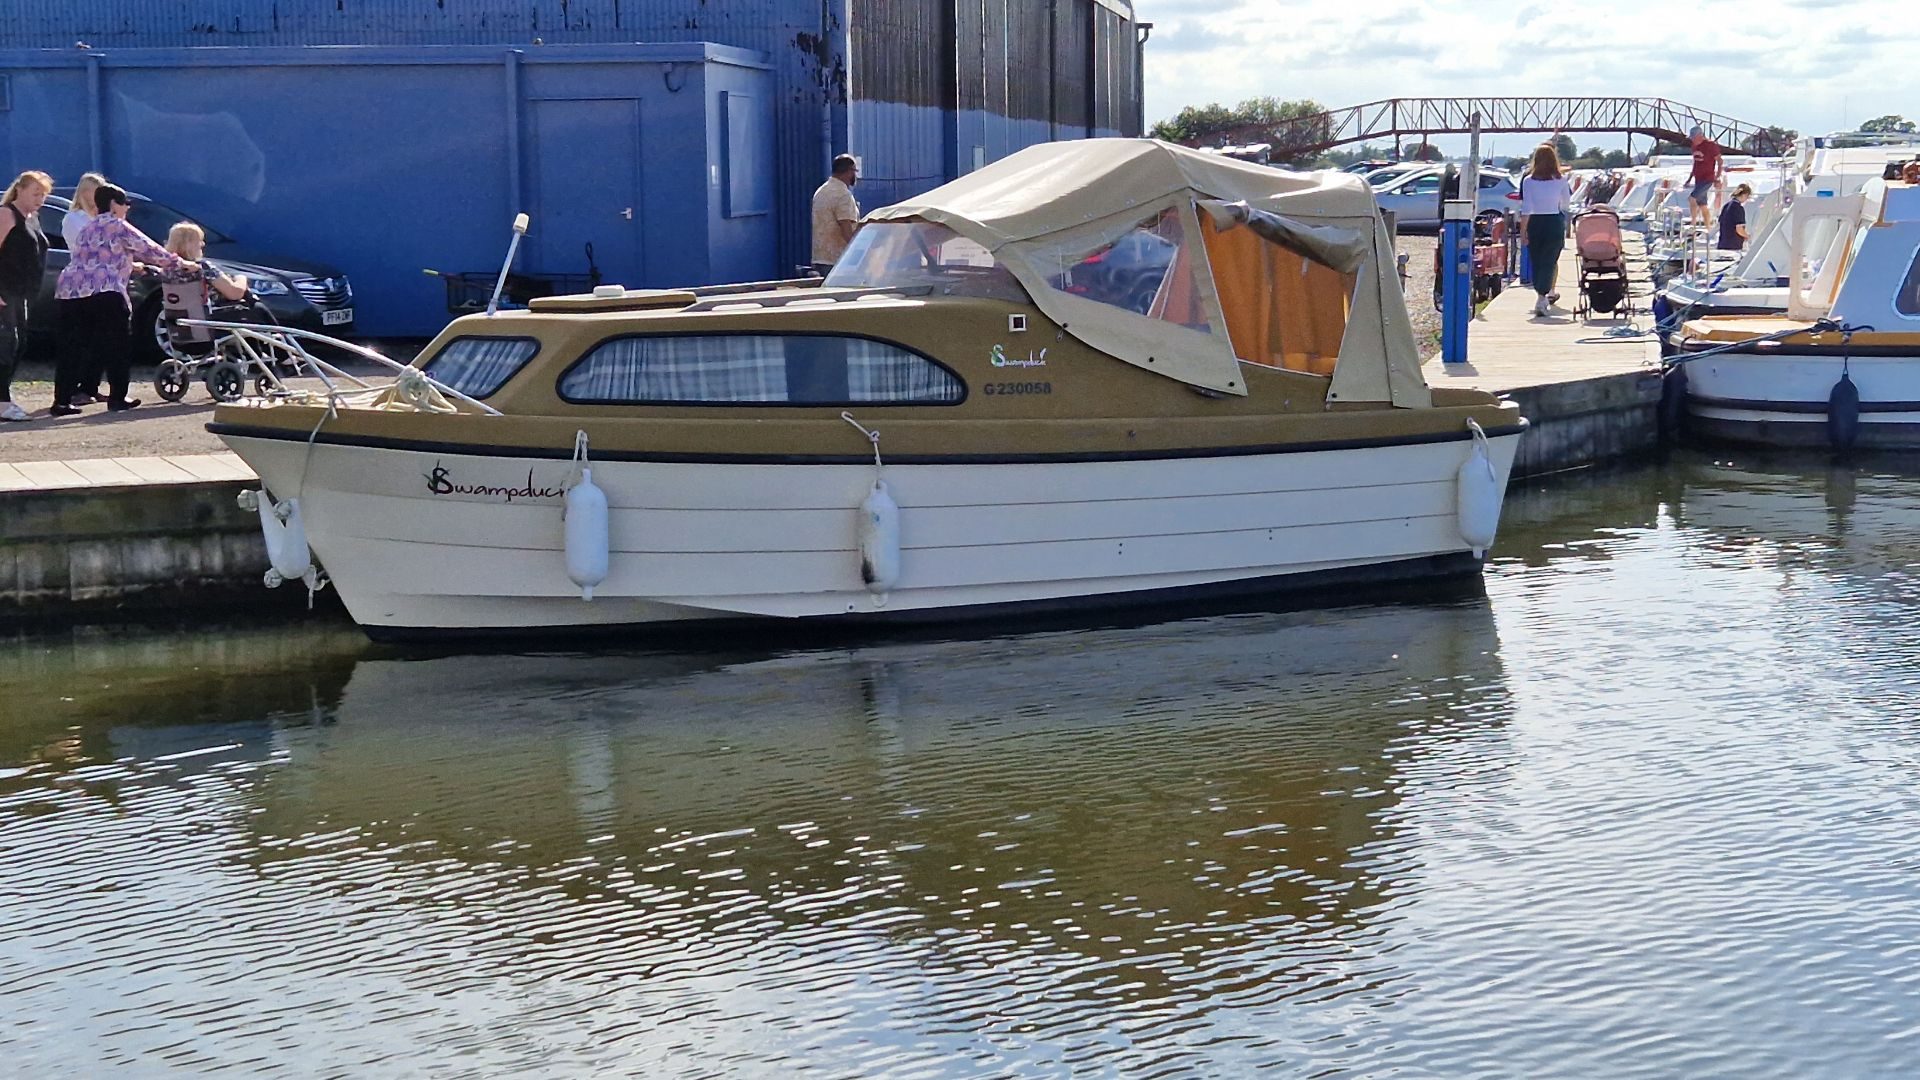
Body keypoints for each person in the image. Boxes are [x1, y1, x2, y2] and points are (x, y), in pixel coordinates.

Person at [51, 183, 194, 416]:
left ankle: (62, 401)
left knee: (73, 346)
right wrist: (181, 263)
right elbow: (149, 249)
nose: (127, 208)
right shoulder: (117, 225)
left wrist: (132, 266)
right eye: (125, 203)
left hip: (71, 290)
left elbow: (95, 257)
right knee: (117, 345)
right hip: (105, 290)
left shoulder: (87, 228)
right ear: (113, 204)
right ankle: (117, 397)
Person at [0, 170, 53, 423]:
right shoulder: (6, 214)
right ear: (19, 190)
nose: (39, 199)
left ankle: (4, 398)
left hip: (24, 292)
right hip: (5, 290)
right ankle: (2, 403)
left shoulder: (33, 218)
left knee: (19, 345)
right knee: (6, 345)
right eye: (35, 193)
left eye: (43, 195)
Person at [61, 173, 111, 406]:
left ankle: (92, 385)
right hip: (82, 283)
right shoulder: (73, 219)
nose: (94, 197)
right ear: (82, 193)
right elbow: (87, 247)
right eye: (90, 191)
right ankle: (74, 388)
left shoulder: (103, 217)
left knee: (101, 338)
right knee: (82, 338)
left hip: (104, 283)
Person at [1517, 142, 1572, 318]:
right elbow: (1566, 204)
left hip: (1535, 222)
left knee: (1537, 260)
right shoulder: (1561, 180)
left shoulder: (1528, 181)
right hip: (1554, 221)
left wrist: (1523, 231)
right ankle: (1542, 296)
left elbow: (1526, 208)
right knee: (1550, 260)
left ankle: (1541, 294)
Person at [811, 154, 860, 277]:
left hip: (820, 258)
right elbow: (846, 229)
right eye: (855, 171)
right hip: (839, 260)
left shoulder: (820, 192)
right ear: (849, 171)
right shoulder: (843, 195)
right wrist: (859, 252)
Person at [1687, 126, 1723, 229]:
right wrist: (1689, 179)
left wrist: (1717, 177)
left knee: (1692, 198)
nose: (1692, 140)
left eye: (1694, 138)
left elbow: (1720, 161)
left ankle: (1693, 224)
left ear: (1700, 136)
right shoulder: (1694, 147)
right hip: (1698, 179)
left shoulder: (1710, 145)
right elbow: (1695, 163)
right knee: (1703, 205)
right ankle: (1708, 228)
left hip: (1707, 178)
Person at [1718, 183, 1753, 251]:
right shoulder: (1739, 208)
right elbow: (1739, 229)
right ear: (1744, 195)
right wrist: (1747, 236)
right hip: (1733, 246)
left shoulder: (1726, 206)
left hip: (1722, 243)